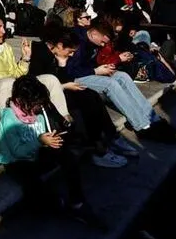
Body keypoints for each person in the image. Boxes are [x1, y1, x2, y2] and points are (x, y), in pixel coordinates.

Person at [0, 75, 105, 229]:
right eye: (36, 104)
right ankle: (57, 205)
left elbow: (41, 137)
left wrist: (50, 142)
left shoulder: (37, 113)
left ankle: (77, 202)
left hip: (35, 152)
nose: (39, 108)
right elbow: (17, 151)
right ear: (22, 101)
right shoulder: (9, 119)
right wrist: (40, 141)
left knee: (66, 155)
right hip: (16, 162)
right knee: (33, 185)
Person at [28, 25, 137, 167]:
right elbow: (37, 84)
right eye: (70, 51)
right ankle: (98, 149)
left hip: (59, 90)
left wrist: (62, 66)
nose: (72, 55)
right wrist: (64, 82)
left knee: (92, 95)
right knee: (87, 103)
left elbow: (64, 78)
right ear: (60, 45)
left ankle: (110, 137)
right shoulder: (40, 53)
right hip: (47, 96)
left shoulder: (58, 54)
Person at [64, 17, 176, 143]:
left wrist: (107, 66)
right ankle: (142, 126)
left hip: (90, 71)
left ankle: (153, 119)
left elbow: (93, 61)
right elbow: (70, 71)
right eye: (102, 42)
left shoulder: (93, 40)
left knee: (122, 76)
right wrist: (96, 71)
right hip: (73, 78)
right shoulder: (77, 41)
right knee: (111, 84)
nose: (103, 45)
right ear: (93, 34)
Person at [0, 13, 70, 118]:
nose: (3, 31)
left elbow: (16, 73)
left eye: (3, 27)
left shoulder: (6, 47)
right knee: (7, 83)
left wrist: (25, 58)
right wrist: (12, 80)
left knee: (50, 80)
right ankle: (10, 124)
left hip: (12, 85)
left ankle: (64, 119)